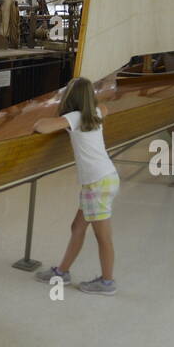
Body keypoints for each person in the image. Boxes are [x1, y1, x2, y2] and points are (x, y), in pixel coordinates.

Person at [33, 76, 119, 294]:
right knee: (78, 227)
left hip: (96, 183)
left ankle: (108, 282)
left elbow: (41, 127)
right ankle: (62, 272)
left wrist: (45, 120)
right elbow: (105, 107)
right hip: (102, 179)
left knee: (103, 236)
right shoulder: (95, 113)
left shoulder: (75, 117)